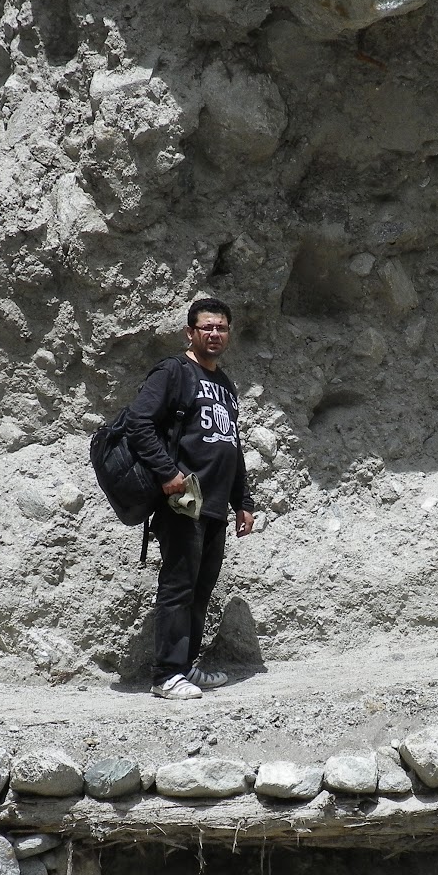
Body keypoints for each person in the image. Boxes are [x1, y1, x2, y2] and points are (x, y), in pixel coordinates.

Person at [127, 297, 257, 699]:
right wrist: (168, 474)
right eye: (207, 328)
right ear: (190, 332)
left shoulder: (225, 384)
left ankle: (185, 667)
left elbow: (230, 446)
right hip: (183, 502)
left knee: (201, 588)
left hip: (215, 504)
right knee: (178, 586)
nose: (214, 334)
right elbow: (138, 422)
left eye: (221, 328)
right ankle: (165, 675)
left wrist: (244, 502)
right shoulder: (174, 371)